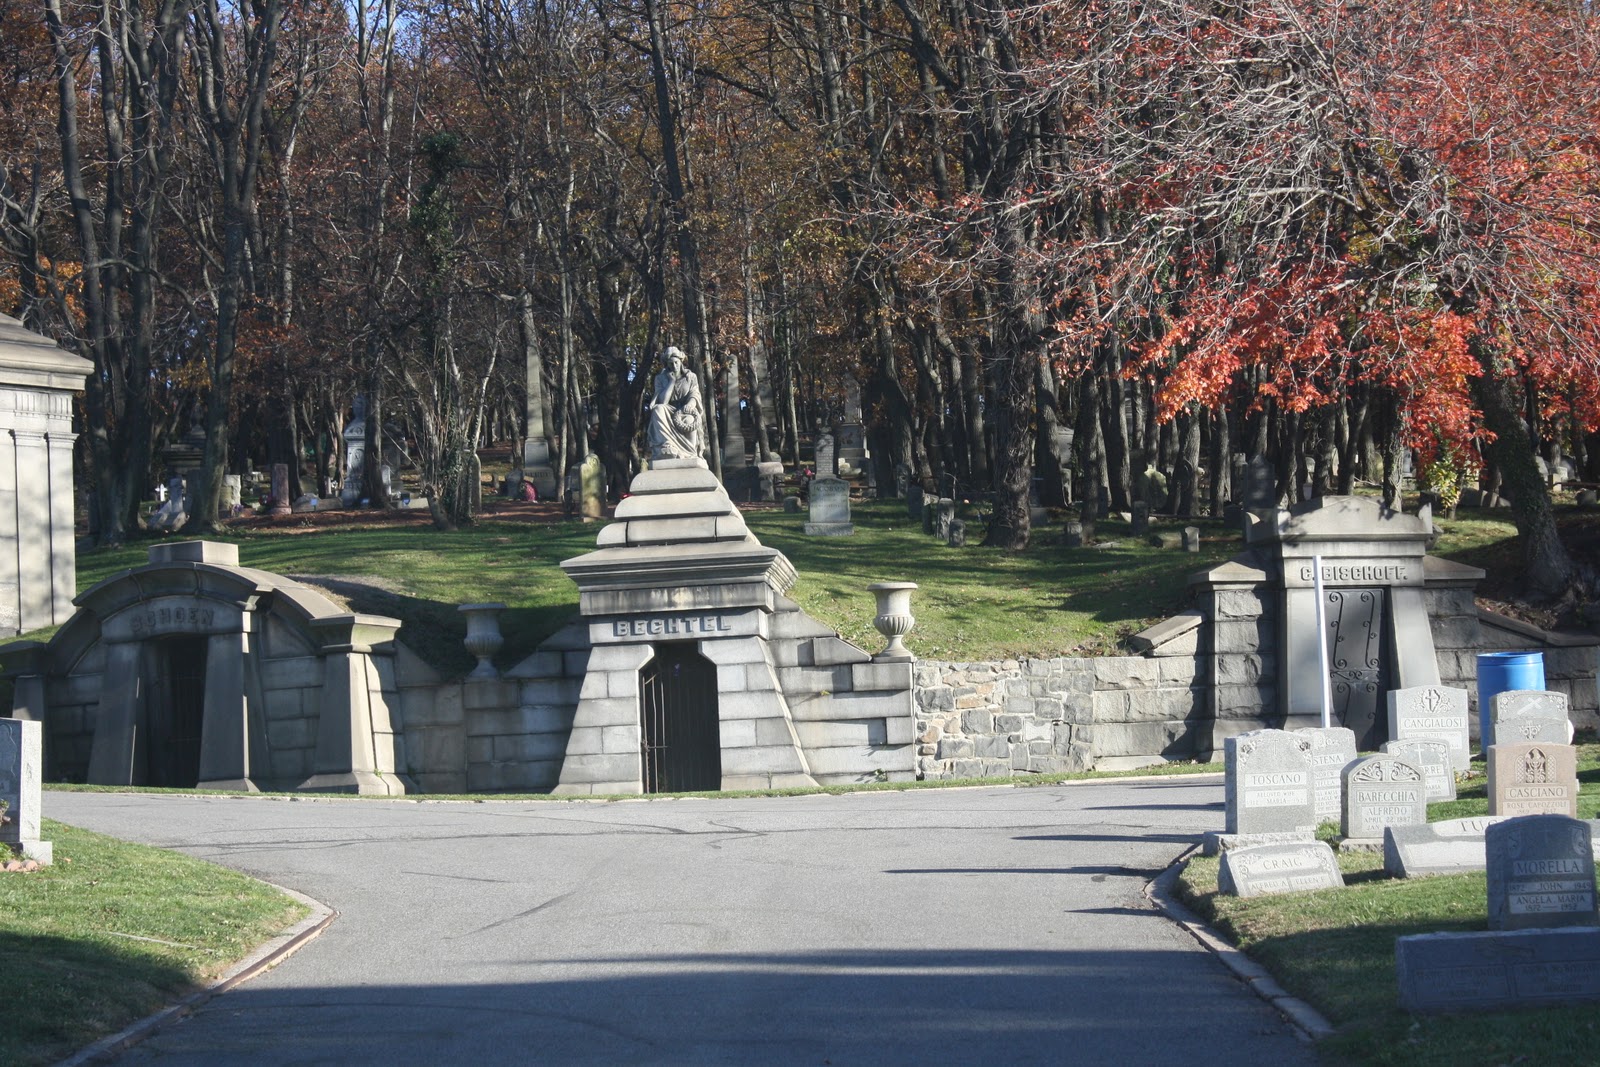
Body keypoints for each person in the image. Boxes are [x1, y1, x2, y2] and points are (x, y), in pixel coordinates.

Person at [646, 346, 705, 461]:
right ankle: (668, 445)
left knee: (689, 420)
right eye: (671, 363)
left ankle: (690, 453)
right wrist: (671, 382)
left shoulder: (691, 377)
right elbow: (663, 401)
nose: (674, 366)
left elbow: (695, 394)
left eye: (676, 362)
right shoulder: (660, 378)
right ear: (667, 364)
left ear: (681, 361)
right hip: (670, 410)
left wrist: (690, 405)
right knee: (658, 409)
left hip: (685, 411)